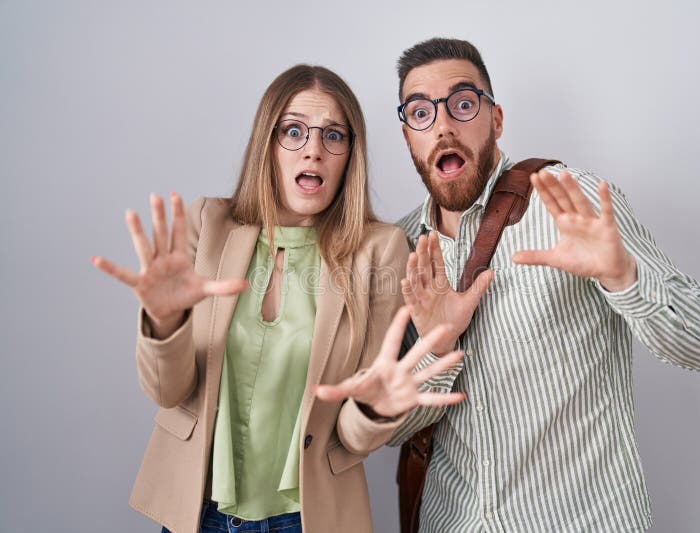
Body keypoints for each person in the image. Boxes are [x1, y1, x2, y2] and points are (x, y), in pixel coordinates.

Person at [338, 38, 700, 532]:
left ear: (496, 120)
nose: (442, 125)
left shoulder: (570, 201)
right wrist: (437, 349)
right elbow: (396, 432)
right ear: (407, 136)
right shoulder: (397, 250)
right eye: (420, 112)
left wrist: (621, 276)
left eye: (462, 104)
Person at [91, 64, 465, 533]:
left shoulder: (380, 249)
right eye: (293, 131)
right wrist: (163, 323)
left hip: (305, 520)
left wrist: (375, 409)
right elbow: (167, 392)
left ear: (351, 154)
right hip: (195, 513)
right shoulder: (207, 225)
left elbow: (351, 438)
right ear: (267, 145)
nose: (313, 150)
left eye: (333, 136)